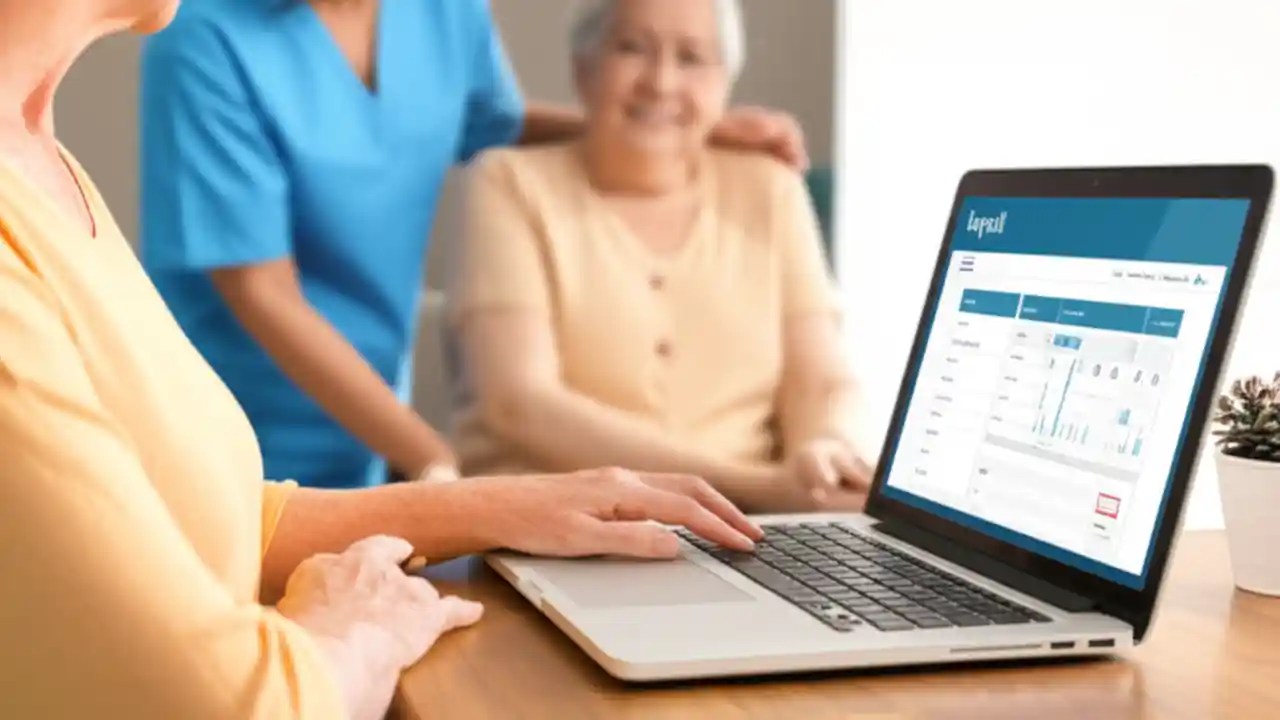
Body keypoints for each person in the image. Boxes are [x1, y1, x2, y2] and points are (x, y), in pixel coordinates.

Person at [0, 2, 764, 717]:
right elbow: (233, 699)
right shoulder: (207, 40)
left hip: (314, 474)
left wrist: (498, 503)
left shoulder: (40, 159)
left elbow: (224, 518)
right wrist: (349, 620)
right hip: (277, 413)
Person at [138, 0, 810, 489]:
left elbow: (495, 125)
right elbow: (262, 293)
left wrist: (679, 128)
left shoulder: (442, 11)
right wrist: (435, 461)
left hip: (368, 434)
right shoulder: (201, 41)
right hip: (230, 441)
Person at [452, 0, 872, 513]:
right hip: (549, 531)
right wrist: (757, 490)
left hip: (742, 537)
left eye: (692, 57)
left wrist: (826, 449)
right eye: (632, 48)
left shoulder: (770, 188)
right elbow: (517, 403)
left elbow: (822, 379)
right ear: (583, 67)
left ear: (725, 81)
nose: (662, 81)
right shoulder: (510, 182)